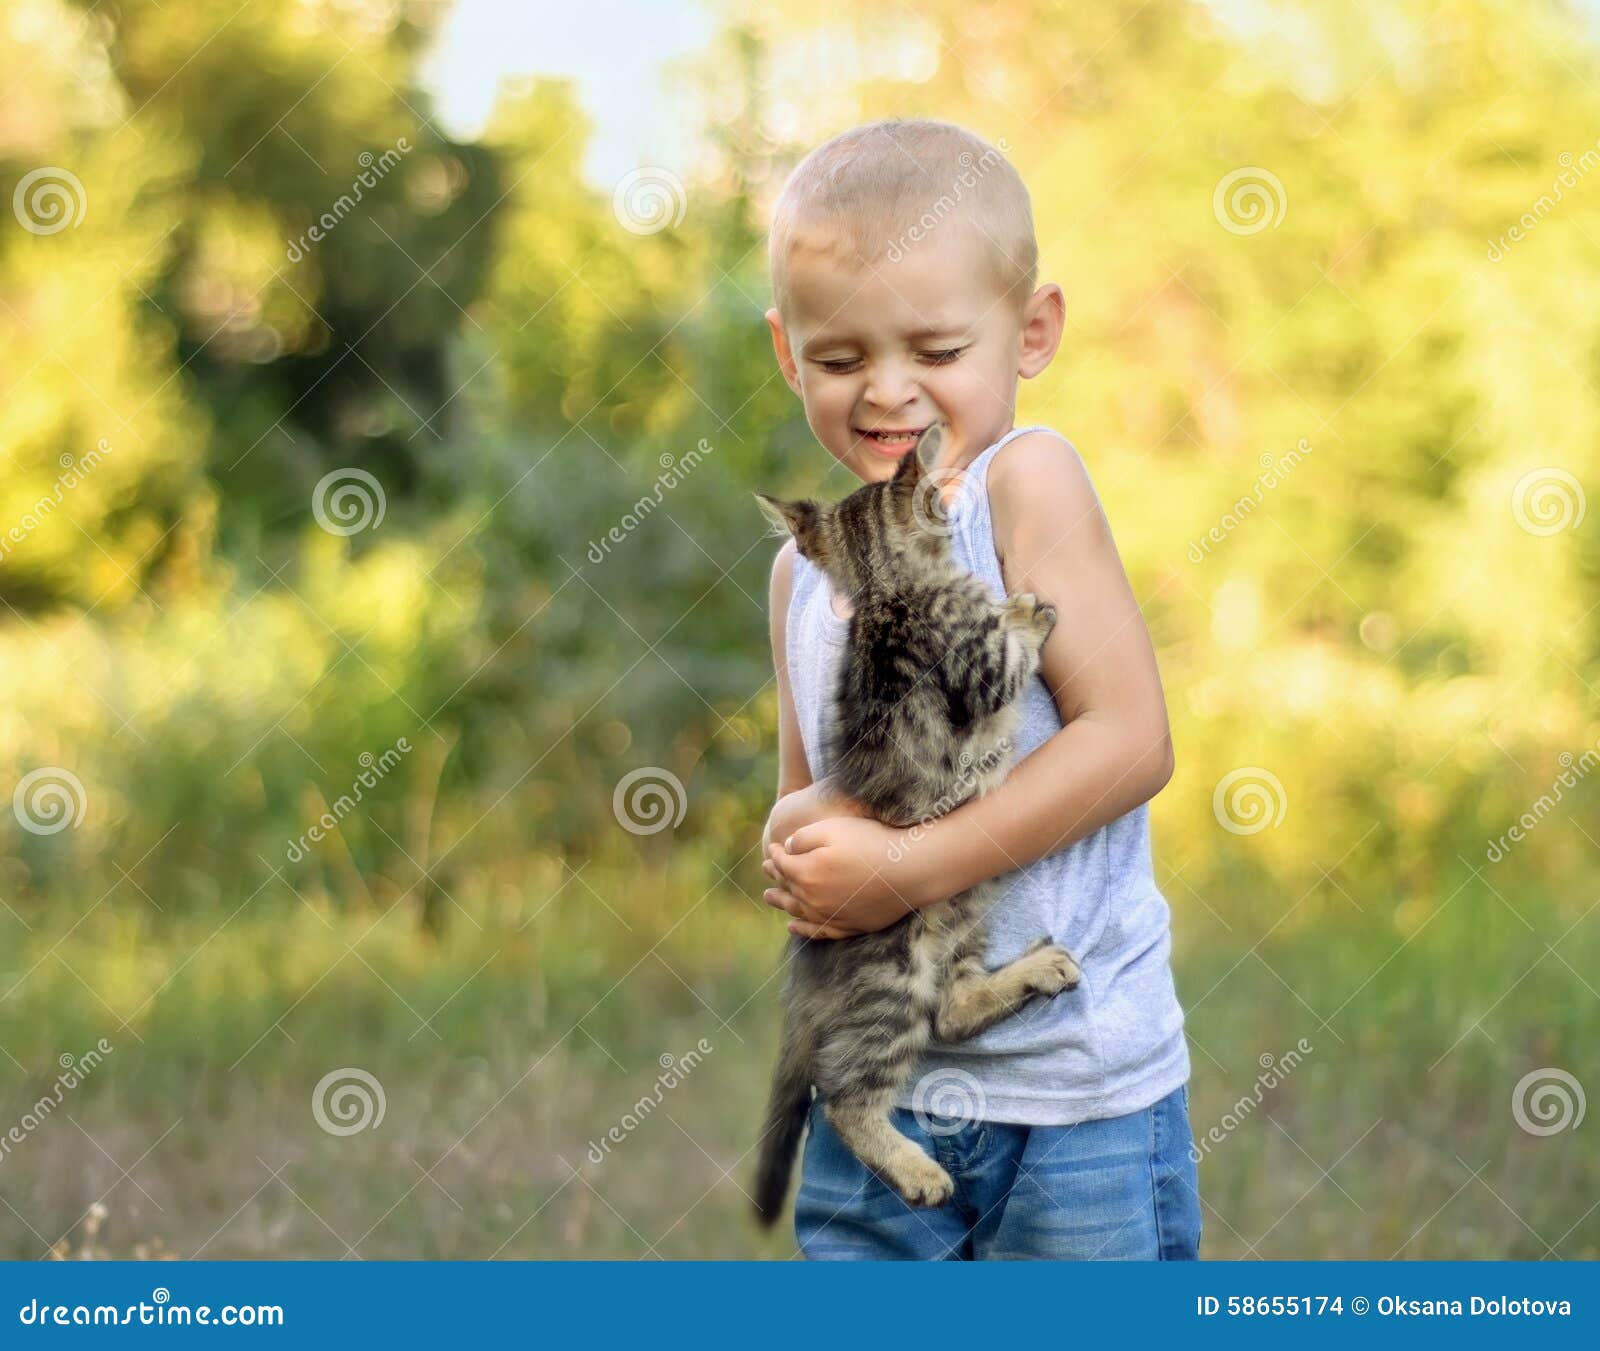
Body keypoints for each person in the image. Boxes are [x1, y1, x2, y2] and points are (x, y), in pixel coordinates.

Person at [757, 118, 1202, 1260]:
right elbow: (815, 794)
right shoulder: (803, 573)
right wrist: (797, 846)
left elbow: (1130, 739)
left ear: (1031, 331)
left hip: (1074, 1099)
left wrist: (906, 869)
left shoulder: (1025, 483)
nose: (886, 391)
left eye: (938, 349)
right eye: (840, 360)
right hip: (881, 1093)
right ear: (788, 355)